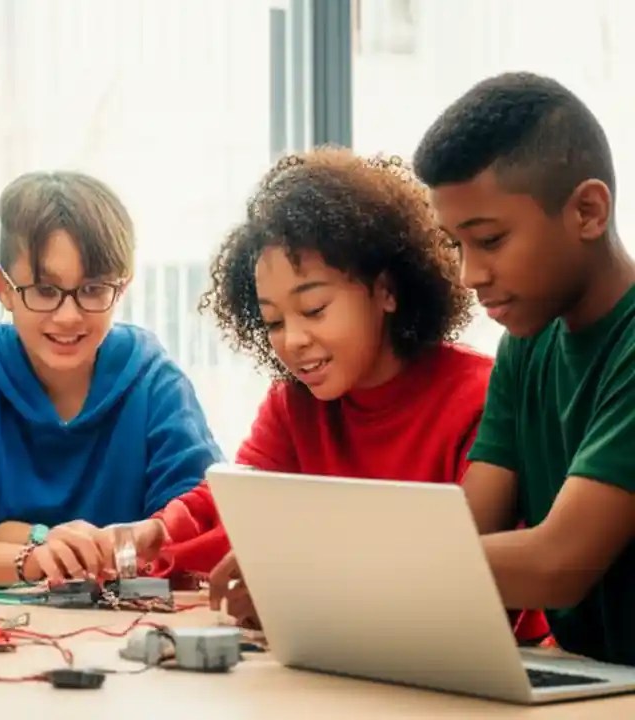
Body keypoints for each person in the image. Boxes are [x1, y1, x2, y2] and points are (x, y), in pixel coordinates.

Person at [211, 74, 634, 666]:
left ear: (587, 211)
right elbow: (465, 535)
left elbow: (561, 563)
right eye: (457, 246)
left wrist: (327, 563)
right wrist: (301, 575)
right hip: (594, 679)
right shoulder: (526, 345)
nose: (469, 274)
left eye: (489, 240)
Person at [115, 147, 546, 641]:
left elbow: (479, 576)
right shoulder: (292, 404)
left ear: (386, 290)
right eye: (273, 320)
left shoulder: (480, 396)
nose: (291, 339)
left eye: (314, 309)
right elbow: (230, 507)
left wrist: (306, 578)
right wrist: (157, 533)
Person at [0, 170, 222, 584]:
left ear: (121, 290)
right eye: (44, 290)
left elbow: (202, 526)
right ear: (1, 288)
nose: (68, 316)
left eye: (92, 290)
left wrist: (9, 533)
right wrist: (40, 543)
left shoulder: (158, 386)